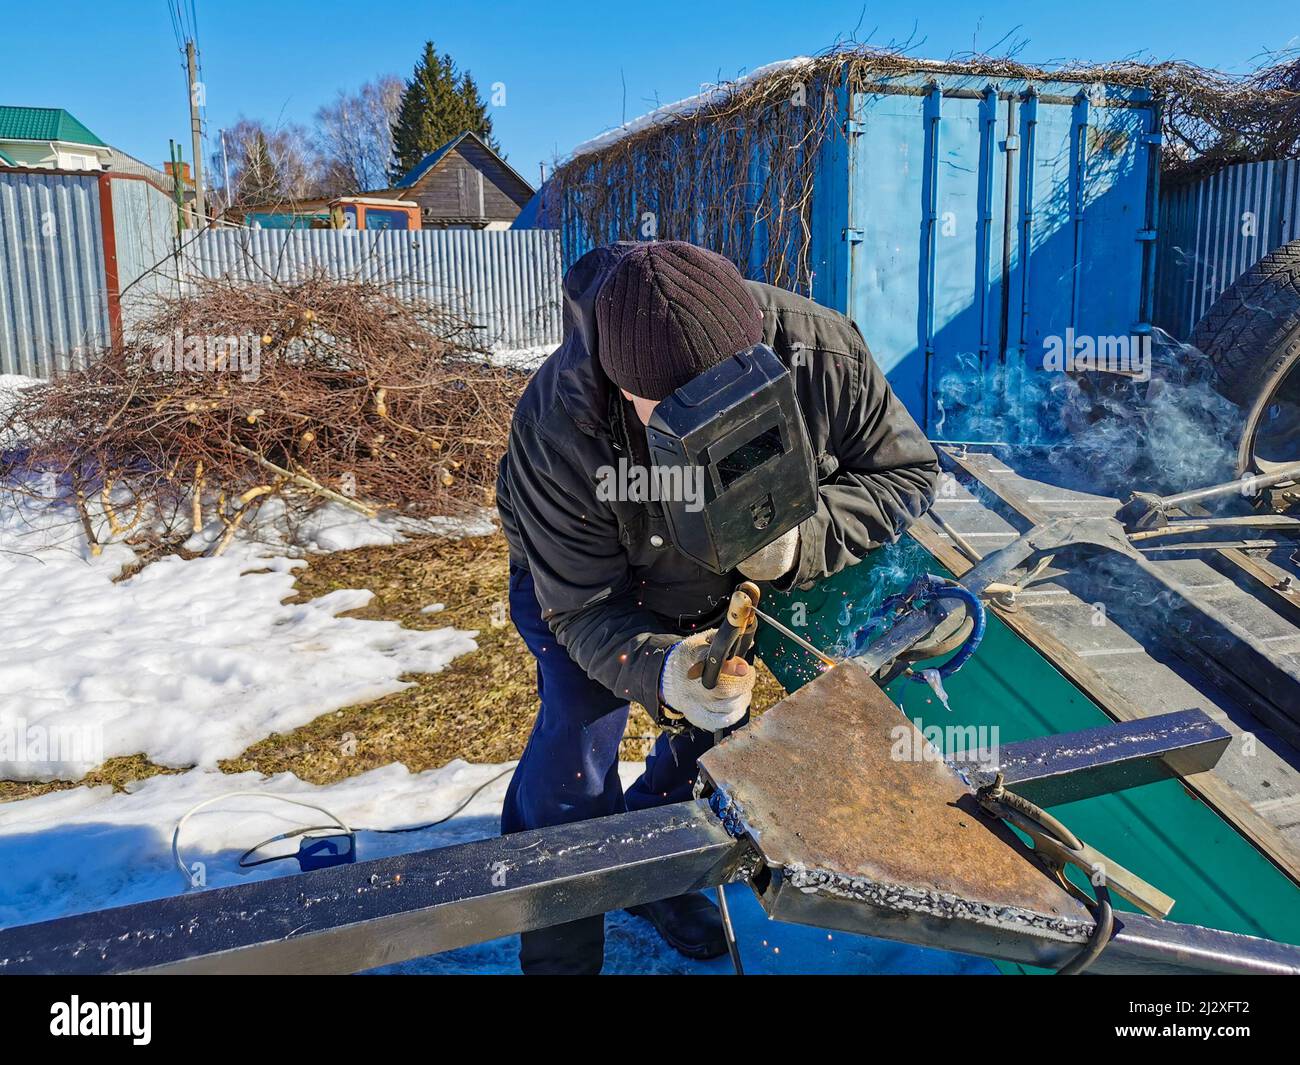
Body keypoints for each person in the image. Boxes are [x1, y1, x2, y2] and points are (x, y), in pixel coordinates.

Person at [495, 240, 939, 973]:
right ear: (618, 385)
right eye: (671, 420)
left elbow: (906, 469)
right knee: (575, 755)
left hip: (728, 586)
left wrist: (803, 541)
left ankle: (661, 873)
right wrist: (661, 670)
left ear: (758, 346)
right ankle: (561, 953)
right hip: (591, 589)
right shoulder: (558, 427)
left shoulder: (819, 350)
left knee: (710, 743)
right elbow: (581, 609)